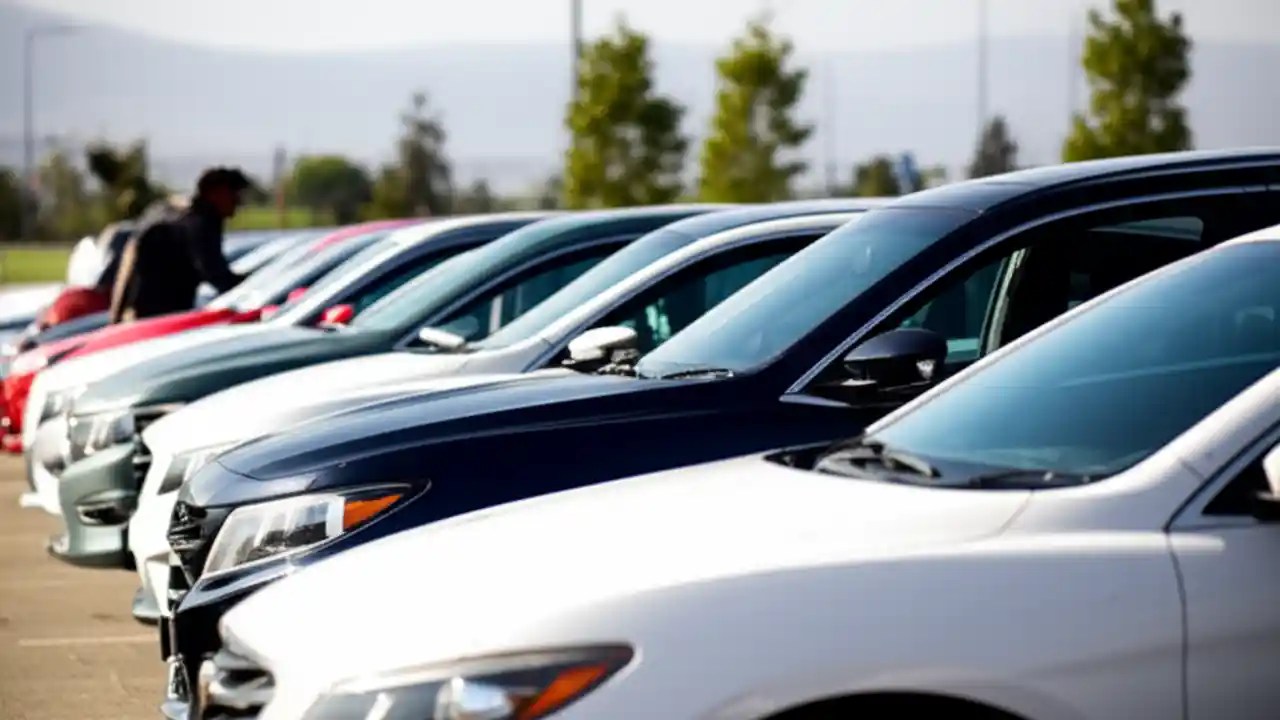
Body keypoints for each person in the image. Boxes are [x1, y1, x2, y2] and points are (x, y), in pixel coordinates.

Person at [109, 168, 250, 323]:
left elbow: (128, 262)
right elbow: (215, 274)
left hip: (140, 316)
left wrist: (116, 316)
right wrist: (251, 287)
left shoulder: (166, 213)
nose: (238, 202)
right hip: (162, 319)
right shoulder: (199, 225)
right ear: (216, 192)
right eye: (233, 194)